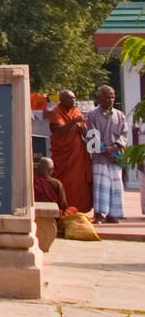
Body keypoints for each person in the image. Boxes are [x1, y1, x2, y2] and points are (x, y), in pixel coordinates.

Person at [44, 90, 93, 215]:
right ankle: (64, 209)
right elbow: (59, 130)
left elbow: (85, 132)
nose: (73, 101)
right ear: (62, 100)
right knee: (63, 182)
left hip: (77, 154)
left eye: (74, 99)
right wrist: (73, 121)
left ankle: (80, 209)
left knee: (79, 181)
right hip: (63, 155)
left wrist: (83, 129)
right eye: (70, 99)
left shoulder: (76, 112)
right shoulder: (56, 112)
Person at [86, 84, 129, 224]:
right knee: (100, 185)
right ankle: (99, 214)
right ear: (100, 98)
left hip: (115, 156)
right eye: (107, 97)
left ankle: (113, 214)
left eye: (112, 97)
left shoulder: (119, 115)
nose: (111, 99)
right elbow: (90, 135)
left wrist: (116, 146)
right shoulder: (92, 115)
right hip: (100, 157)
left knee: (116, 185)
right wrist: (105, 149)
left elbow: (124, 134)